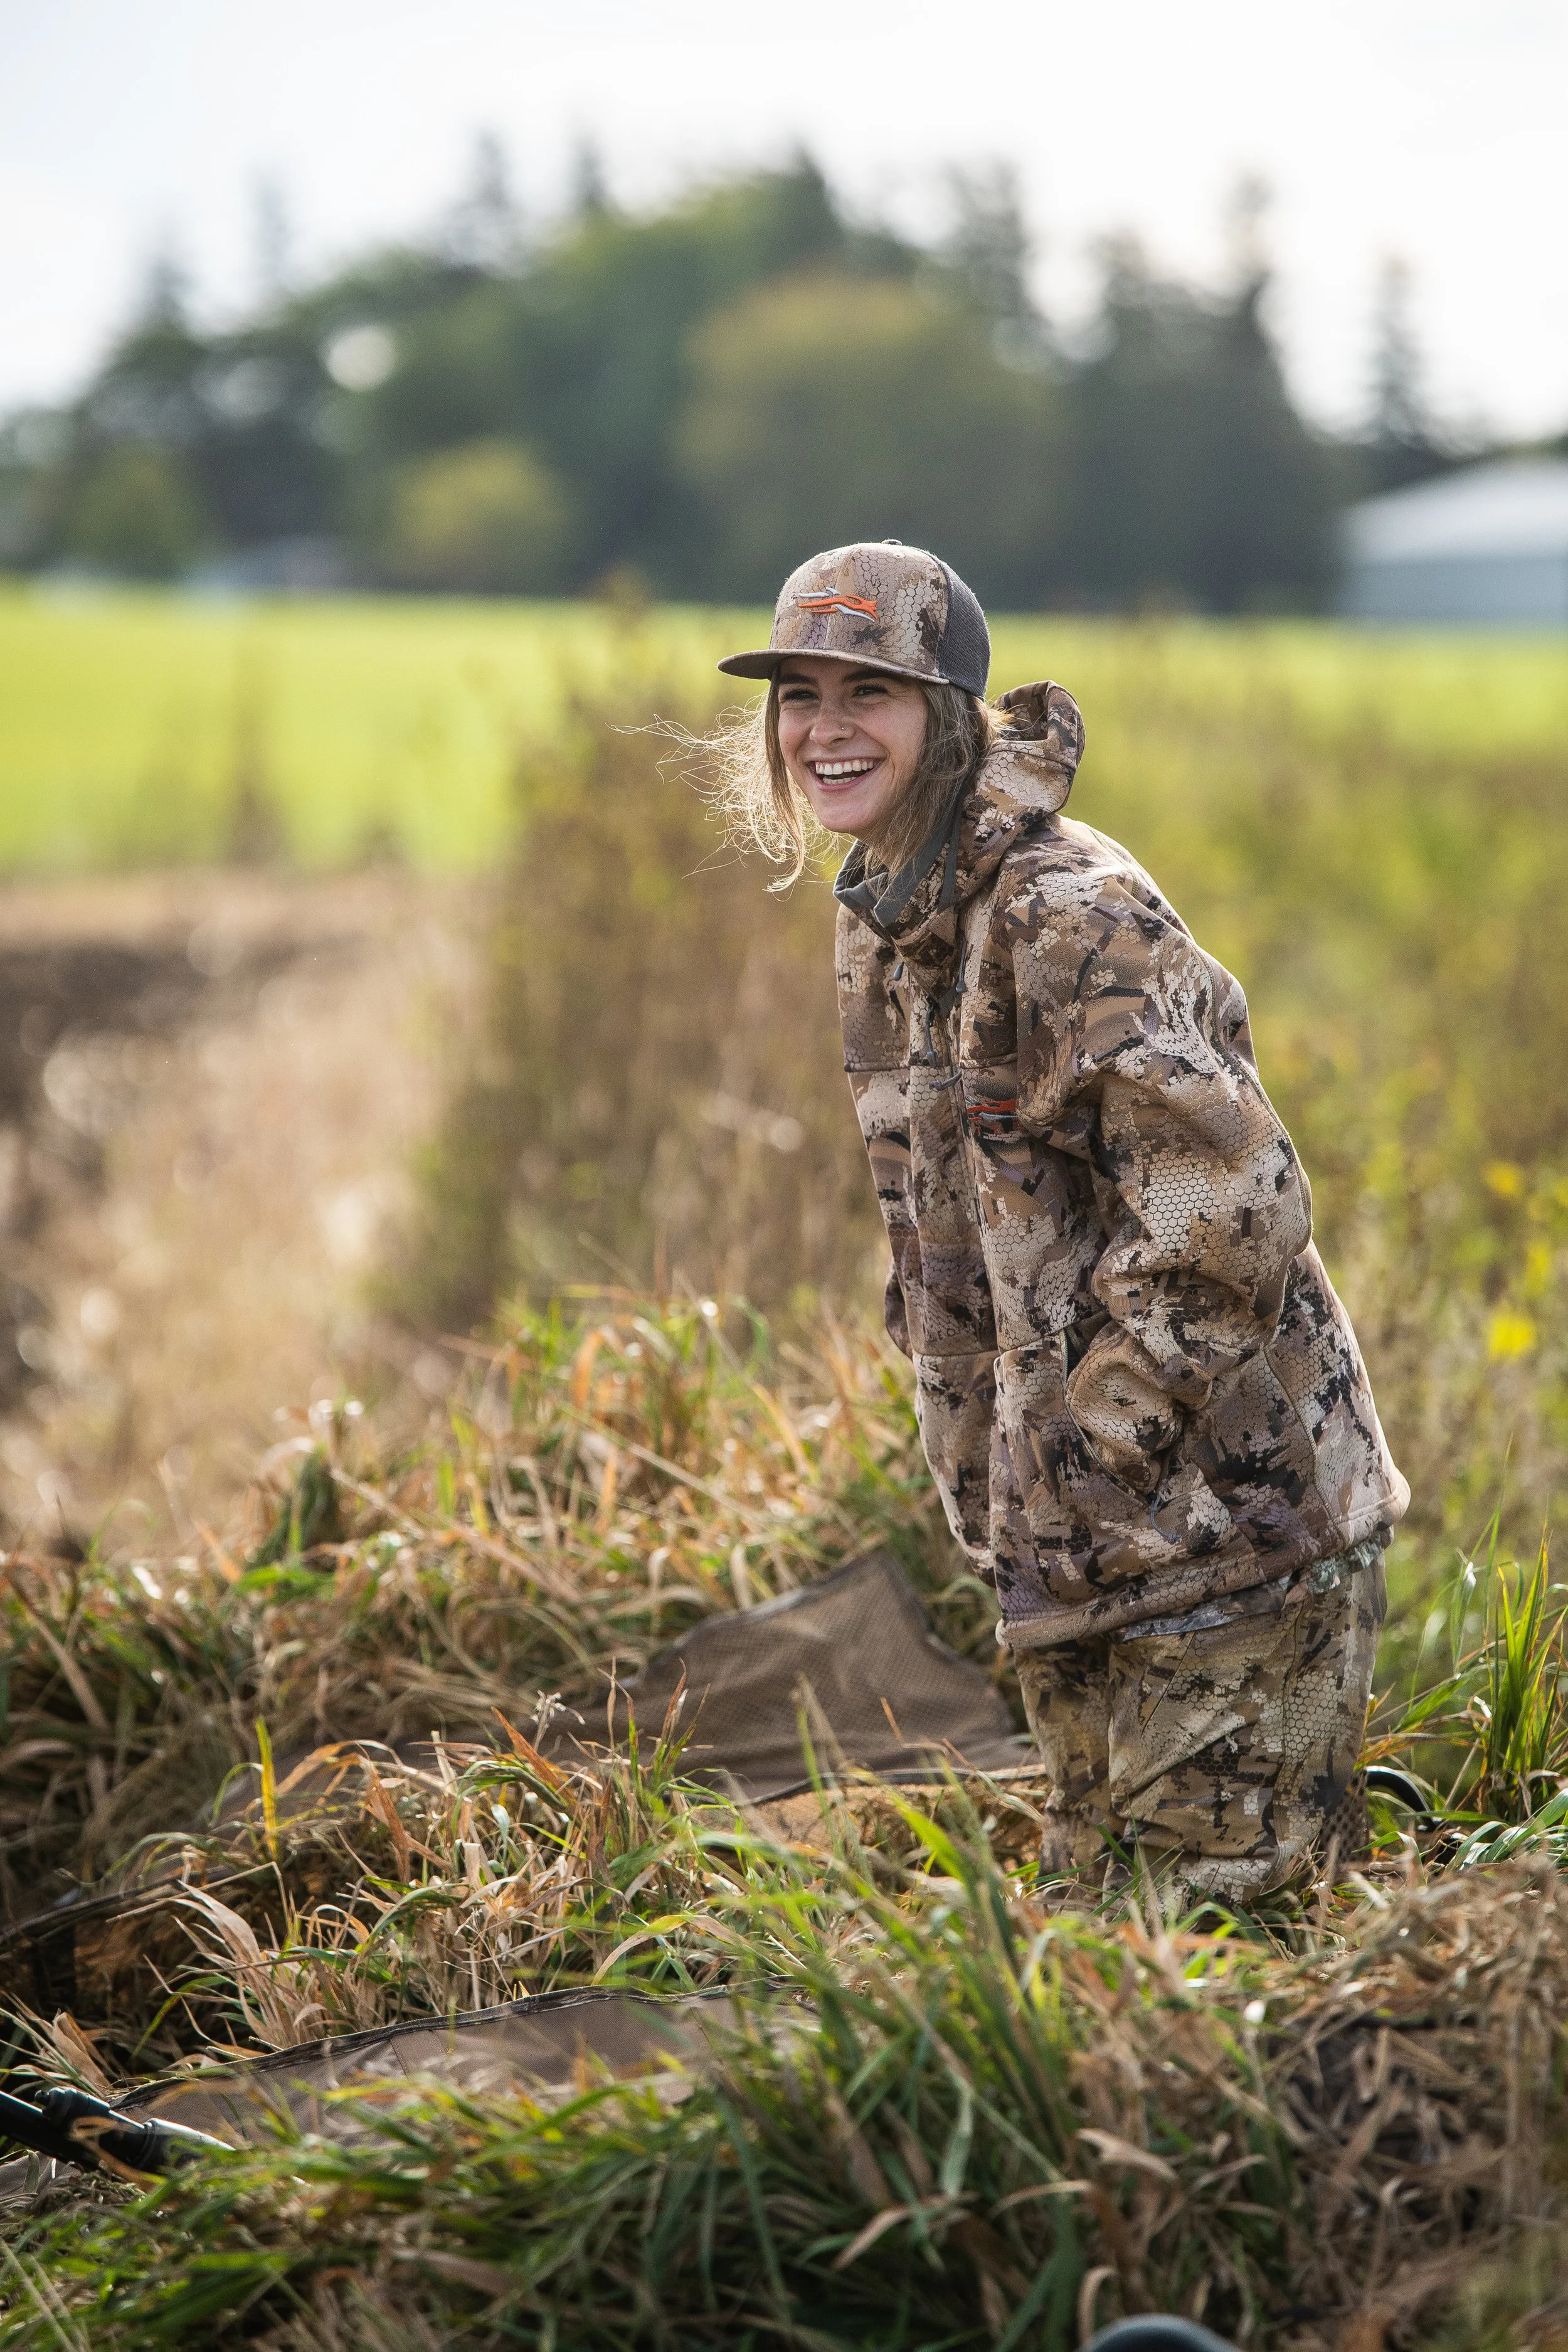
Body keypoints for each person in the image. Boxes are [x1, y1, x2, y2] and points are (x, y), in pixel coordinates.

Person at [711, 540, 1409, 1905]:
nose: (822, 729)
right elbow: (947, 1226)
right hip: (1078, 1562)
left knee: (1207, 1983)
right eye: (797, 694)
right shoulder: (886, 917)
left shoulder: (1063, 912)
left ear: (948, 713)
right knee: (1099, 1952)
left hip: (1222, 1543)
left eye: (868, 691)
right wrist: (1000, 1475)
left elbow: (1231, 1207)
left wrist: (1096, 1446)